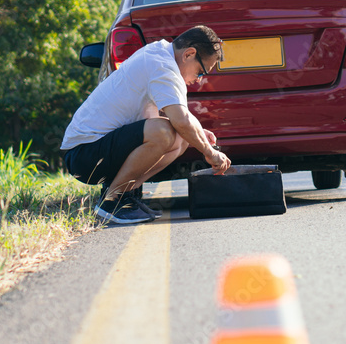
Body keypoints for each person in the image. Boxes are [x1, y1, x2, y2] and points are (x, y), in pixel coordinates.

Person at [61, 25, 231, 224]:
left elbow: (181, 116)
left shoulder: (159, 52)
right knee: (165, 132)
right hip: (83, 156)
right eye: (201, 72)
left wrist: (199, 134)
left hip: (92, 150)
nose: (198, 80)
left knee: (182, 138)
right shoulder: (163, 67)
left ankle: (125, 194)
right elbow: (181, 120)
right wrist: (210, 152)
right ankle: (112, 202)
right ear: (189, 54)